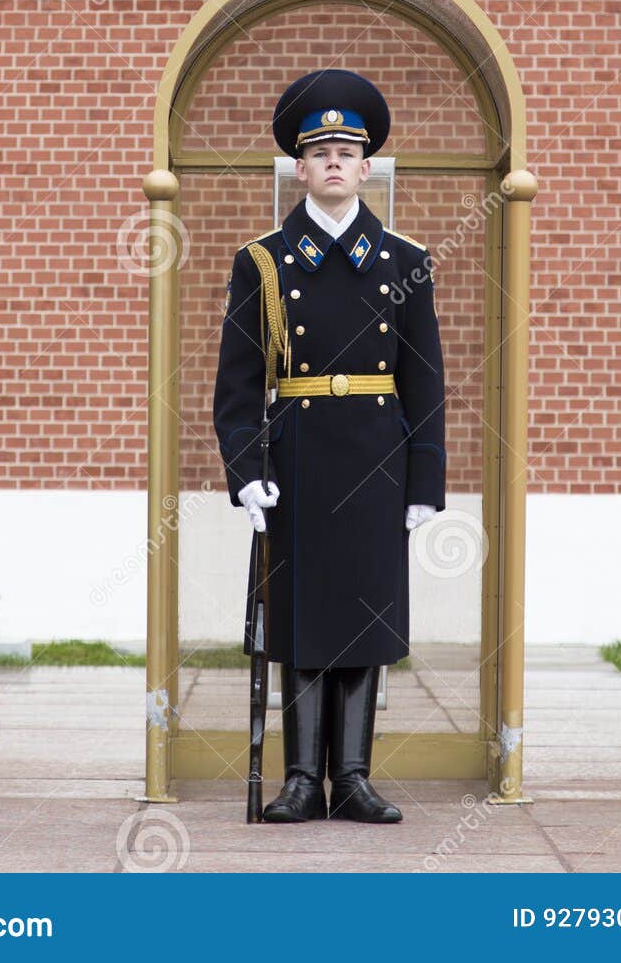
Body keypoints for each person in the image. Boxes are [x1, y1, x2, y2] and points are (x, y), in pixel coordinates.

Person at [212, 69, 446, 823]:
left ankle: (350, 777)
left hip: (376, 456)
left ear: (368, 167)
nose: (336, 162)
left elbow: (425, 381)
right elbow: (238, 383)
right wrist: (245, 471)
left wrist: (423, 482)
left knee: (365, 616)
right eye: (321, 153)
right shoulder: (264, 262)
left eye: (349, 150)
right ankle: (300, 782)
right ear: (300, 168)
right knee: (303, 617)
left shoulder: (404, 261)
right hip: (300, 456)